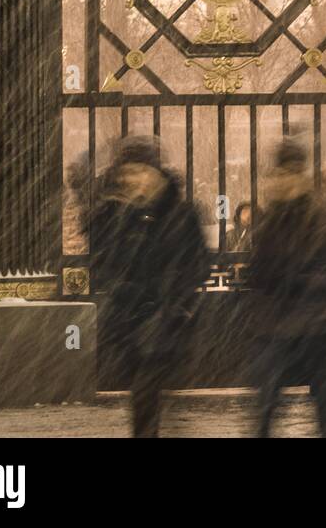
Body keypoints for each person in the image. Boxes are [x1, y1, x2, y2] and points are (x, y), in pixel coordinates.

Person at [91, 136, 209, 438]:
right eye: (126, 173)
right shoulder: (118, 214)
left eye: (138, 171)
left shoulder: (181, 213)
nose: (131, 180)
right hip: (130, 323)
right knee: (144, 398)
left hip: (165, 323)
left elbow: (198, 264)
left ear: (155, 172)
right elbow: (105, 262)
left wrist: (177, 306)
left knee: (145, 395)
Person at [248, 137, 326, 438]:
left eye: (292, 173)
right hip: (278, 326)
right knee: (266, 407)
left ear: (302, 177)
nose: (286, 180)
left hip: (314, 325)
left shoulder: (319, 218)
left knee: (325, 409)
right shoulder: (271, 219)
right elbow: (258, 272)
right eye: (282, 173)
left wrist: (302, 283)